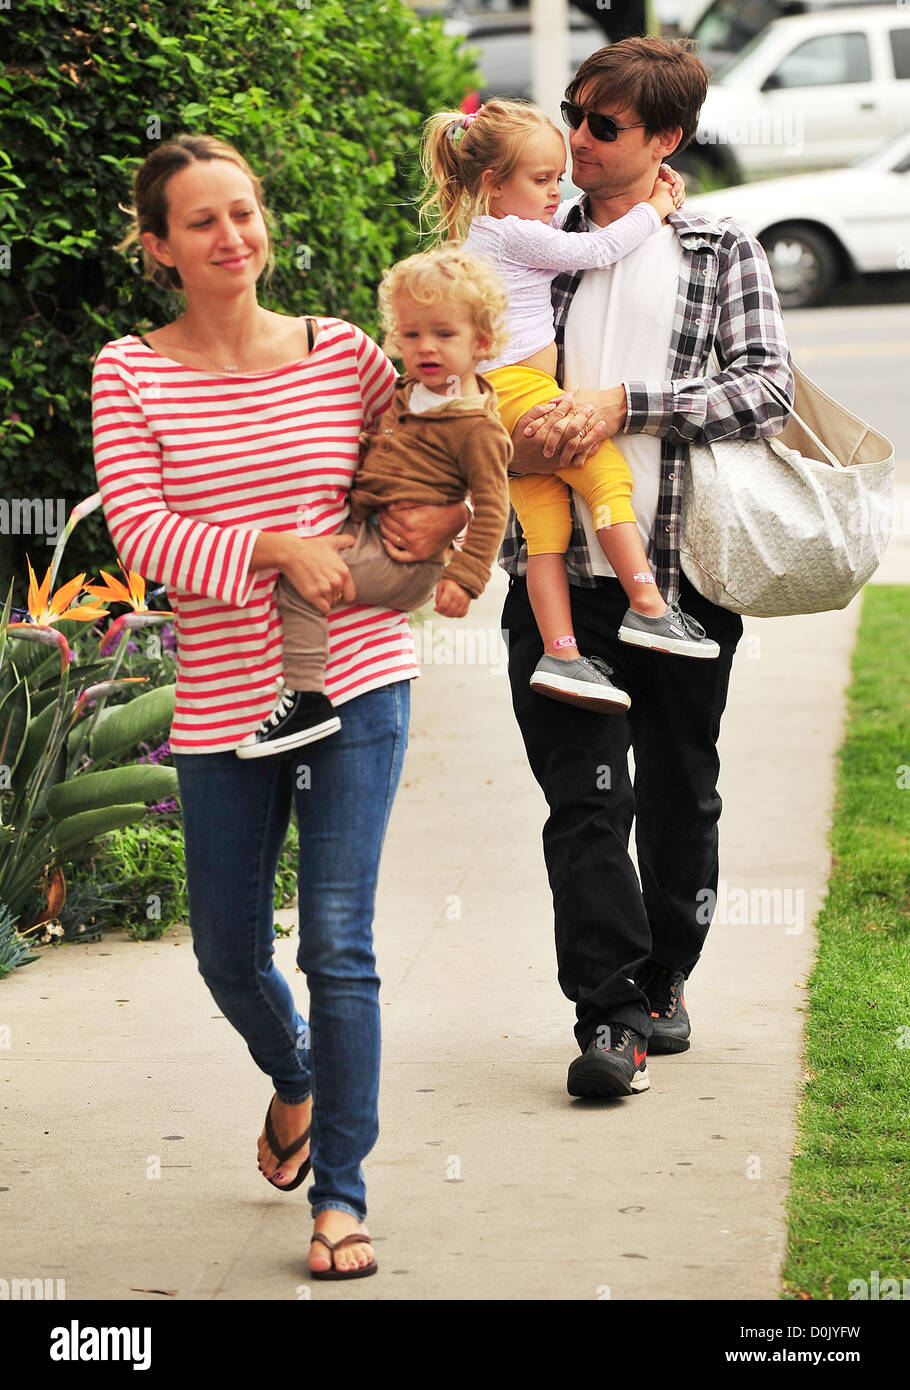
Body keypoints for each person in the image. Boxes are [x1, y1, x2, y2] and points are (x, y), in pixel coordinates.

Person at [91, 134, 470, 1278]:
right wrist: (270, 546)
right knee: (223, 951)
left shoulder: (344, 351)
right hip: (223, 703)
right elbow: (142, 534)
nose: (234, 238)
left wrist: (440, 526)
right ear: (158, 246)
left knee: (339, 944)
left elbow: (420, 460)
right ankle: (294, 1076)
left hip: (353, 678)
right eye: (203, 222)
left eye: (245, 213)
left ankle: (342, 1200)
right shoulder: (131, 370)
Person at [499, 37, 795, 1098]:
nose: (577, 135)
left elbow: (765, 388)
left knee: (680, 791)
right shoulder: (527, 239)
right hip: (553, 574)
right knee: (584, 802)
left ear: (664, 139)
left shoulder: (718, 244)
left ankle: (667, 974)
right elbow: (458, 360)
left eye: (604, 123)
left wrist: (628, 407)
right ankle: (609, 1012)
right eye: (574, 112)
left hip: (679, 581)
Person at [419, 98, 719, 718]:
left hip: (493, 399)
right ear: (492, 184)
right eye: (541, 180)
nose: (556, 191)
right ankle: (650, 609)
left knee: (545, 531)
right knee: (605, 474)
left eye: (558, 179)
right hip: (518, 389)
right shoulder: (516, 234)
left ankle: (560, 652)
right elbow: (601, 250)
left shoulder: (490, 231)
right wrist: (655, 210)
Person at [236, 245, 513, 759]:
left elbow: (495, 505)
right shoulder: (407, 390)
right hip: (373, 532)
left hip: (409, 563)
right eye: (411, 335)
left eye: (444, 334)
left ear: (483, 341)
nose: (425, 348)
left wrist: (465, 576)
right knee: (309, 564)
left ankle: (306, 698)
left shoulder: (476, 425)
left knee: (304, 578)